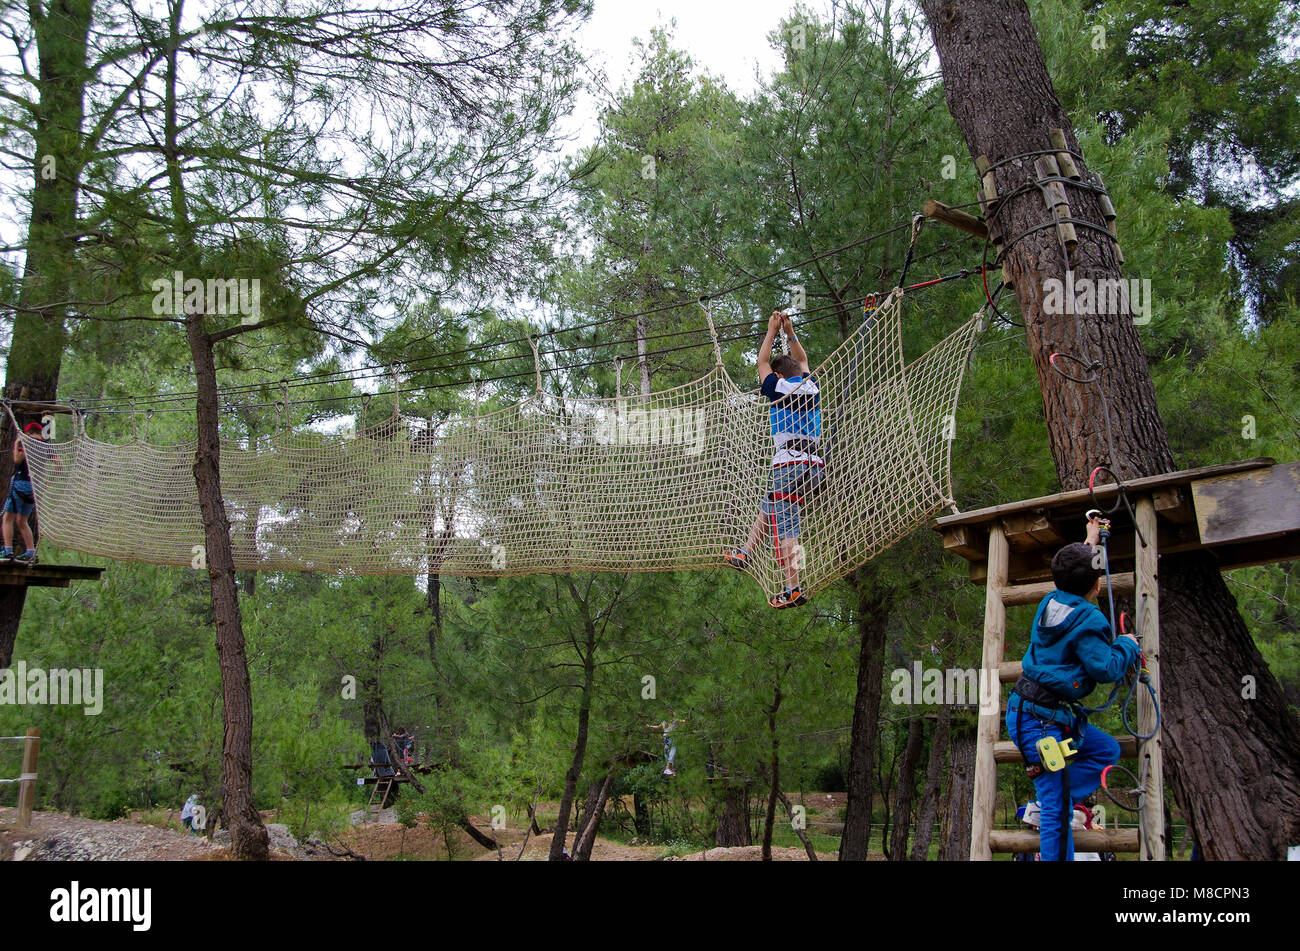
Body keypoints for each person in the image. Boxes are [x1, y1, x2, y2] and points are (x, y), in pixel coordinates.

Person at [1005, 514, 1139, 861]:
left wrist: (1090, 538)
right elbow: (1106, 667)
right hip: (1040, 723)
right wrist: (1127, 644)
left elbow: (1076, 573)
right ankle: (1052, 800)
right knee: (1057, 815)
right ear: (1096, 587)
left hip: (1039, 714)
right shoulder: (1090, 619)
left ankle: (1051, 797)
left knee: (1105, 750)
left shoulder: (1051, 602)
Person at [724, 311, 823, 608]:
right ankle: (746, 552)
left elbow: (762, 362)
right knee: (772, 506)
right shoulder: (810, 385)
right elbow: (802, 359)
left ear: (779, 376)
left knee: (789, 527)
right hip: (814, 467)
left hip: (788, 464)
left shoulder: (777, 387)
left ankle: (793, 586)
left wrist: (771, 331)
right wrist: (789, 332)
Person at [2, 422, 46, 565]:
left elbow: (17, 459)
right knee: (22, 520)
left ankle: (8, 551)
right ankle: (30, 552)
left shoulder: (27, 441)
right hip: (35, 486)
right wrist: (46, 483)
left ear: (28, 432)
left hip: (21, 483)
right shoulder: (45, 446)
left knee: (8, 518)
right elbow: (58, 464)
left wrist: (17, 444)